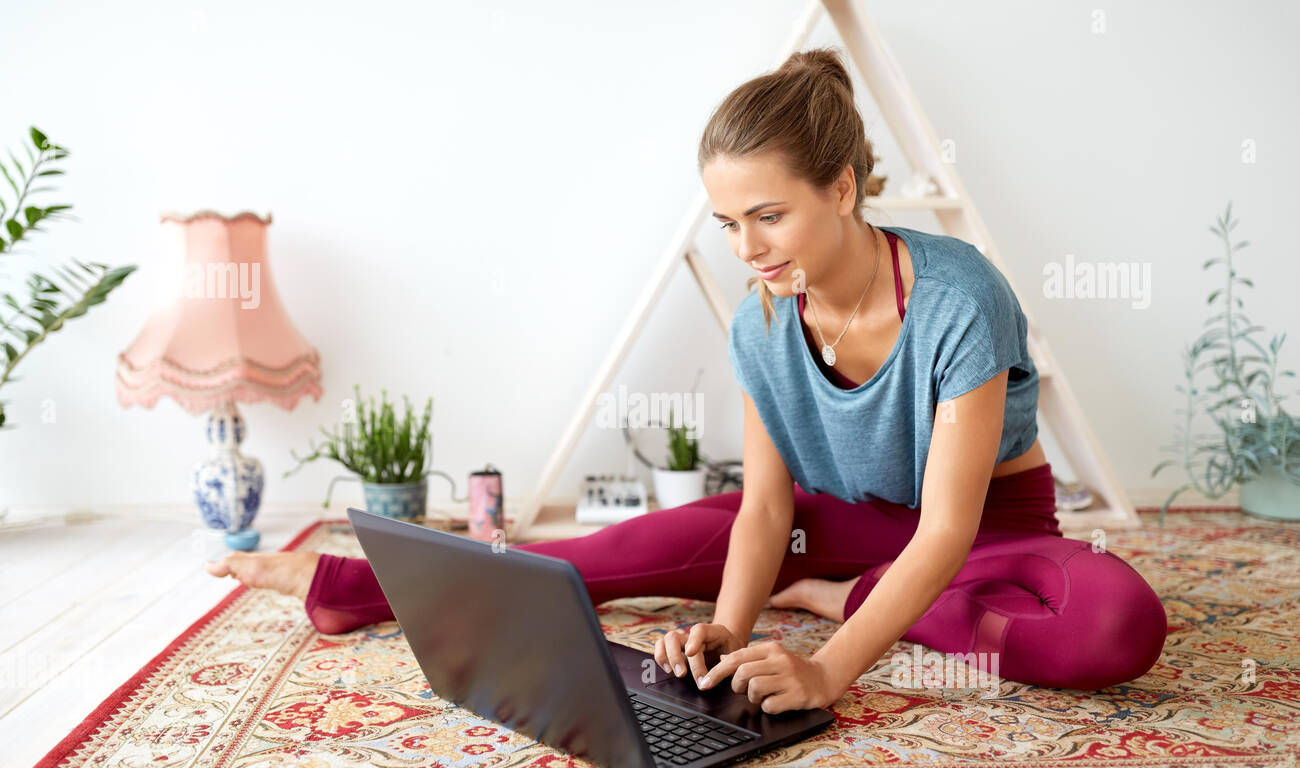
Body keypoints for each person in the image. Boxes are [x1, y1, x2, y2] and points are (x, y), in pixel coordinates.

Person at [206, 47, 1167, 713]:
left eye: (769, 217)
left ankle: (842, 596)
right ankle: (349, 584)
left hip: (984, 533)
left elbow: (948, 530)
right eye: (727, 224)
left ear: (841, 189)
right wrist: (727, 627)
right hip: (817, 522)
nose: (748, 250)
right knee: (598, 561)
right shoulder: (763, 316)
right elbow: (762, 510)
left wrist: (828, 666)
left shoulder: (960, 297)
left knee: (1116, 624)